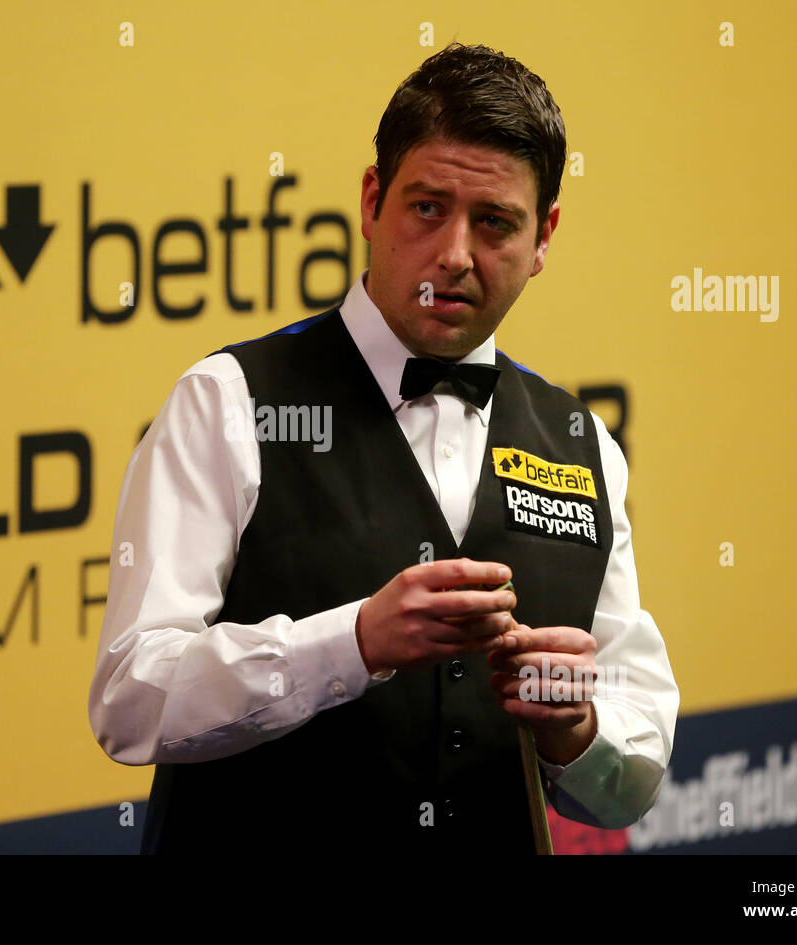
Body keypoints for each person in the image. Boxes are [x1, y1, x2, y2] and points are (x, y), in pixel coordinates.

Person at [89, 42, 678, 854]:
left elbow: (634, 776)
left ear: (543, 237)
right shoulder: (227, 401)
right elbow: (130, 699)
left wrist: (576, 728)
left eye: (495, 222)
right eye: (427, 207)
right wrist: (352, 642)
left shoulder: (582, 446)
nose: (455, 256)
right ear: (372, 201)